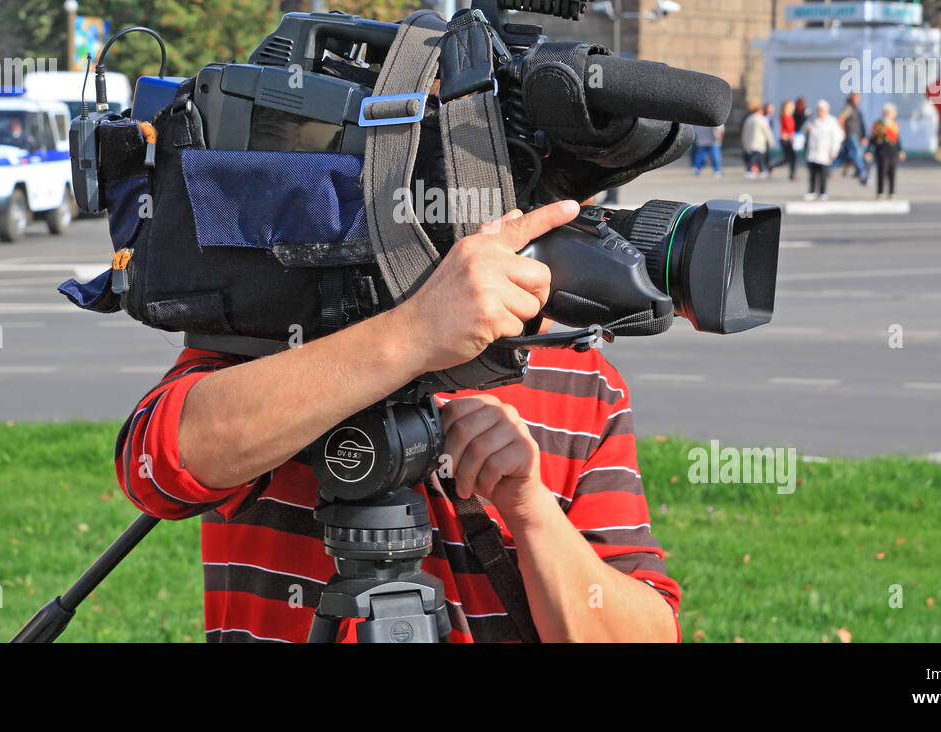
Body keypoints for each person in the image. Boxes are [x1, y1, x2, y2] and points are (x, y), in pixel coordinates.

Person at [115, 200, 682, 643]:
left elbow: (642, 628)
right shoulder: (279, 321)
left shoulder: (580, 373)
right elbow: (159, 466)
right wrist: (413, 335)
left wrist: (533, 514)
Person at [802, 99, 843, 201]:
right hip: (813, 152)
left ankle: (822, 192)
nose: (820, 112)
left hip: (825, 152)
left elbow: (837, 137)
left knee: (823, 174)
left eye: (822, 110)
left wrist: (834, 151)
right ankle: (811, 192)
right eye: (818, 110)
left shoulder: (832, 121)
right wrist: (807, 128)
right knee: (812, 173)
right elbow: (802, 131)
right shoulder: (813, 121)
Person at [864, 103, 905, 199]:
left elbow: (897, 139)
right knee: (882, 172)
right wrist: (869, 151)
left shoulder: (894, 124)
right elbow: (872, 139)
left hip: (893, 152)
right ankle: (880, 192)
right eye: (893, 112)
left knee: (892, 172)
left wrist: (901, 150)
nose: (894, 114)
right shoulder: (878, 124)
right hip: (881, 152)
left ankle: (892, 192)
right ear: (887, 113)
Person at [836, 92, 867, 182]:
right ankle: (862, 172)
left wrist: (863, 136)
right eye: (856, 97)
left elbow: (861, 123)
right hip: (851, 134)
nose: (858, 99)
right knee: (857, 153)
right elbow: (841, 118)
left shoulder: (856, 108)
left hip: (857, 135)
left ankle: (828, 168)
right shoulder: (848, 107)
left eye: (859, 98)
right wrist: (843, 132)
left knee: (844, 155)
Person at [740, 100, 775, 179]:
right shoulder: (761, 119)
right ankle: (748, 170)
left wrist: (745, 142)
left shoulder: (749, 119)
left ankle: (762, 171)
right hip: (759, 142)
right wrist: (771, 140)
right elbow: (767, 131)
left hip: (750, 141)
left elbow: (744, 131)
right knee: (755, 156)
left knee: (759, 156)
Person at [776, 100, 798, 181]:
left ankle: (792, 174)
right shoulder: (785, 116)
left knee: (791, 157)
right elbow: (788, 129)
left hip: (789, 138)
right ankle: (771, 167)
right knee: (789, 158)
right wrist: (791, 138)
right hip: (786, 139)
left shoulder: (790, 116)